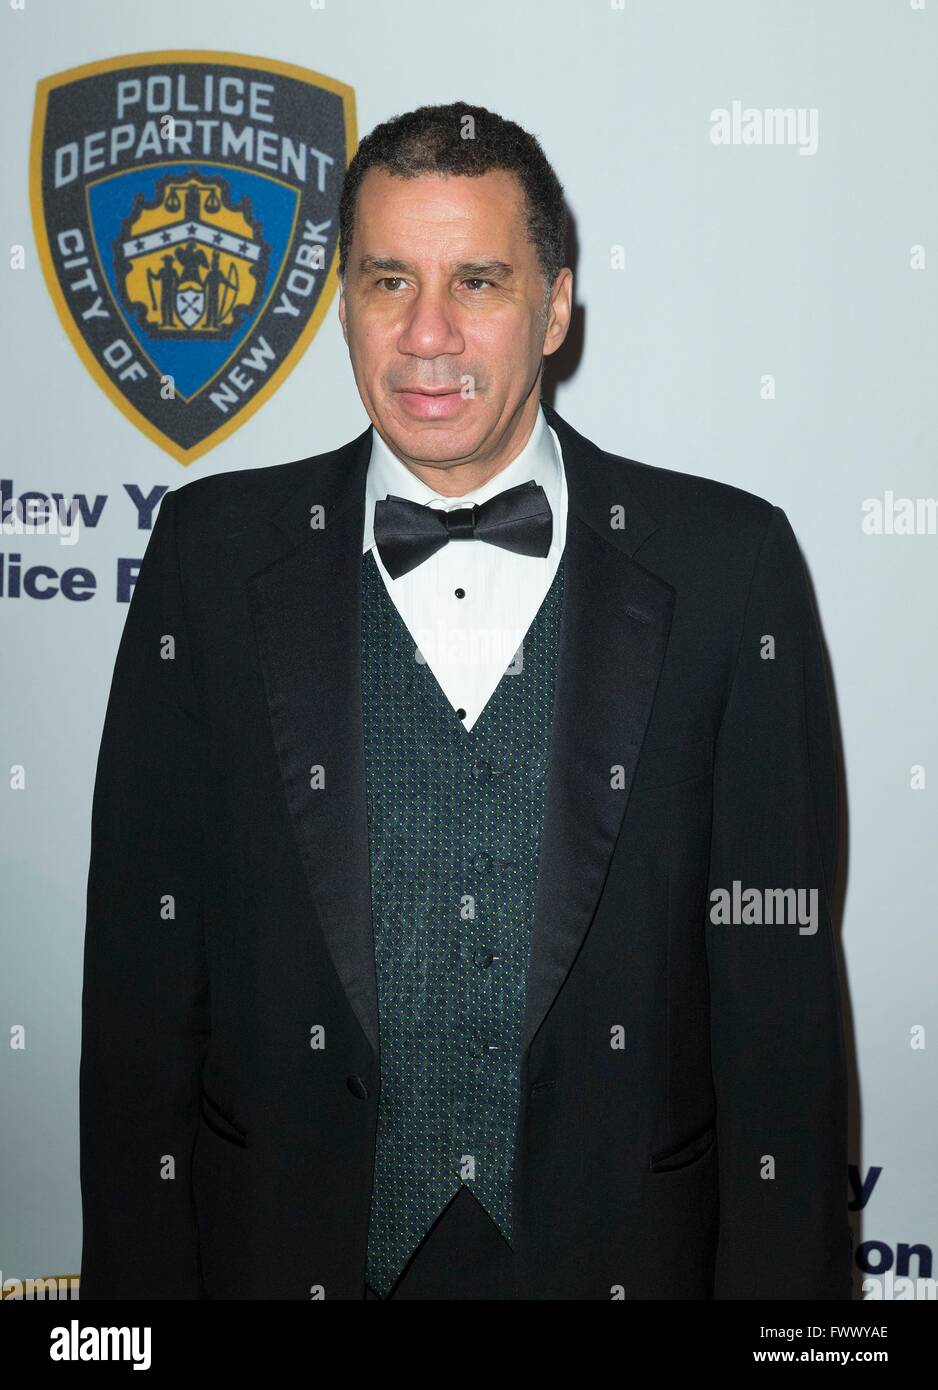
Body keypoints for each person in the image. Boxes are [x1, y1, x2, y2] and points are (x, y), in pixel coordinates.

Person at [79, 100, 850, 1300]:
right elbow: (140, 986)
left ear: (553, 307)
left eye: (477, 282)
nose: (425, 334)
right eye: (389, 280)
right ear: (341, 302)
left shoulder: (728, 565)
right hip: (281, 1252)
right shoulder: (210, 554)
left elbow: (778, 1021)